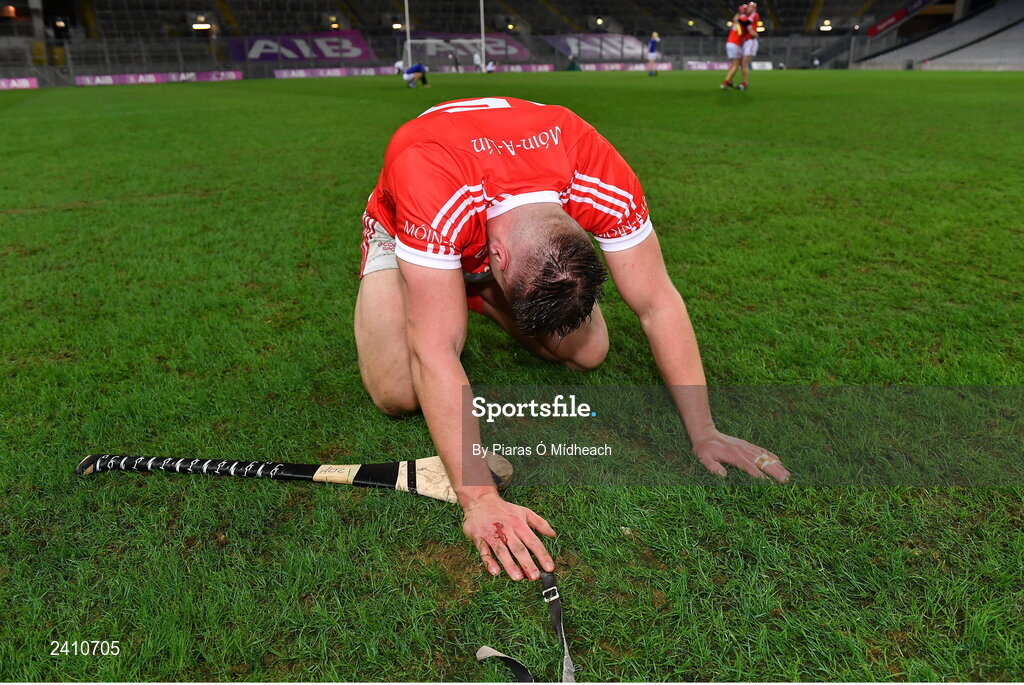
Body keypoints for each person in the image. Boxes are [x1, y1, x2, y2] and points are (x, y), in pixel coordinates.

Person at [355, 96, 791, 582]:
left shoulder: (598, 172)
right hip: (406, 230)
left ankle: (476, 297)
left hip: (487, 241)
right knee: (398, 391)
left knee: (589, 351)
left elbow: (658, 304)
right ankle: (446, 291)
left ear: (582, 230)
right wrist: (479, 498)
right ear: (496, 257)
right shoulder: (429, 178)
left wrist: (705, 431)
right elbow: (434, 349)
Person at [721, 5, 748, 89]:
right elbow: (741, 33)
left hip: (729, 43)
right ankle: (725, 83)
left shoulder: (736, 19)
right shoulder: (743, 19)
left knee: (733, 64)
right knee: (736, 65)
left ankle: (729, 81)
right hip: (735, 44)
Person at [738, 2, 761, 90]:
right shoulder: (749, 16)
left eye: (750, 7)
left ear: (753, 8)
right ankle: (744, 82)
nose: (748, 8)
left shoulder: (754, 15)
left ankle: (744, 83)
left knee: (744, 63)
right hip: (748, 41)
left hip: (751, 41)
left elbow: (746, 23)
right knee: (743, 64)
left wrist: (741, 15)